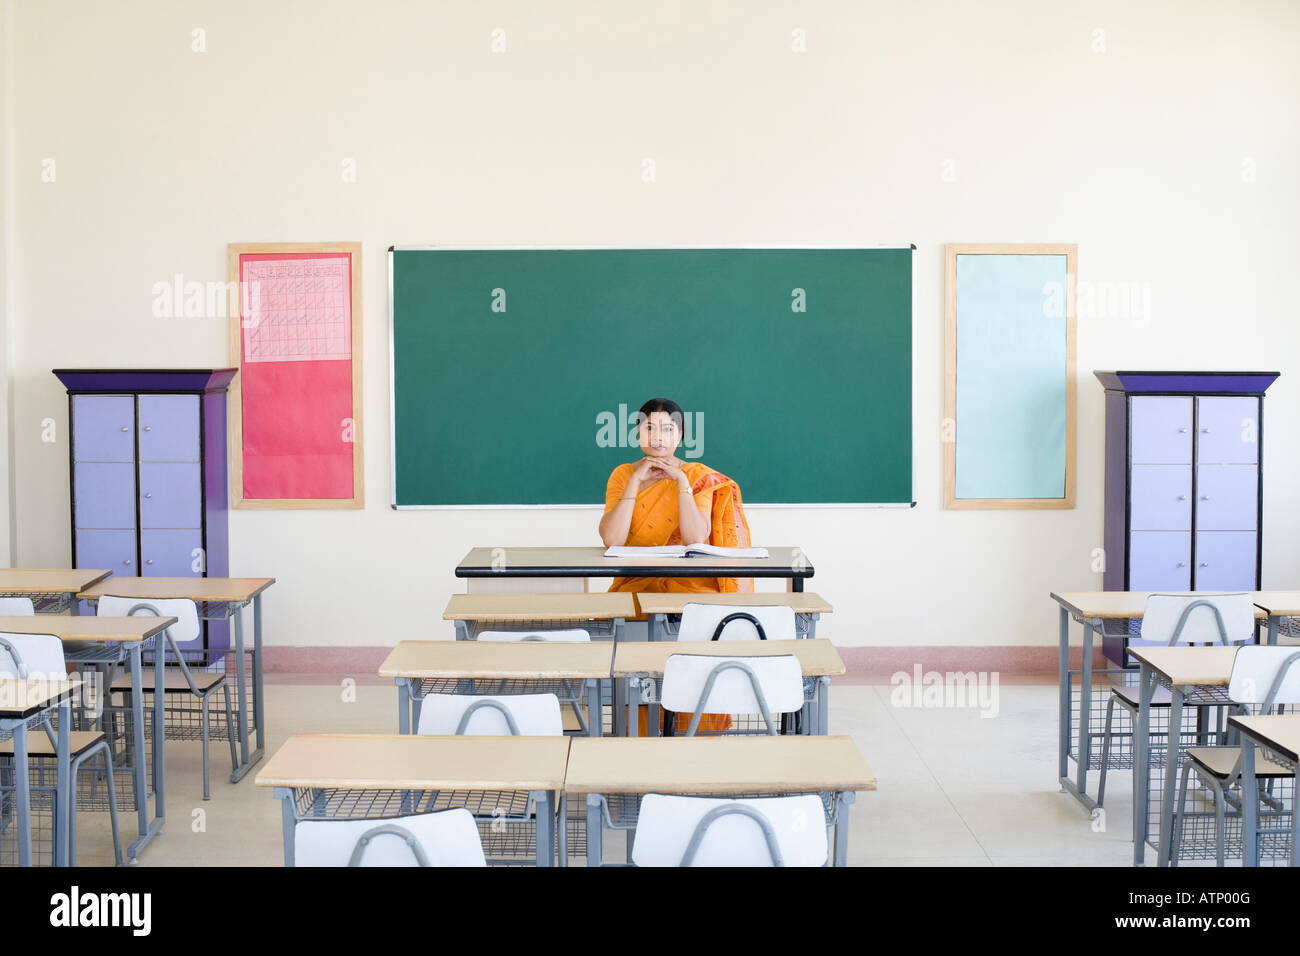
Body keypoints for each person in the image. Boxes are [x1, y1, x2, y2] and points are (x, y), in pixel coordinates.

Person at [599, 398, 753, 594]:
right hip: (636, 581)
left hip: (692, 583)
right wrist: (635, 481)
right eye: (650, 428)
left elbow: (695, 538)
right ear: (638, 434)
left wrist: (682, 481)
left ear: (680, 436)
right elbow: (612, 540)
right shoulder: (624, 474)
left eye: (668, 429)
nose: (658, 437)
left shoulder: (696, 475)